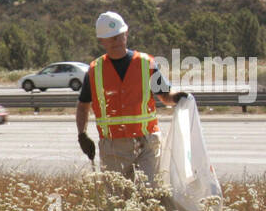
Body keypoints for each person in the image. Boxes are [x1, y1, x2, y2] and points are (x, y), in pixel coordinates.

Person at [76, 11, 186, 181]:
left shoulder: (145, 64)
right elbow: (83, 105)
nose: (117, 42)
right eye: (111, 38)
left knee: (148, 195)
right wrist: (82, 134)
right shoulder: (94, 70)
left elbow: (165, 95)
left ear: (126, 34)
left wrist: (177, 97)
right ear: (101, 41)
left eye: (119, 36)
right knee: (117, 201)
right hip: (113, 147)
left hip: (146, 145)